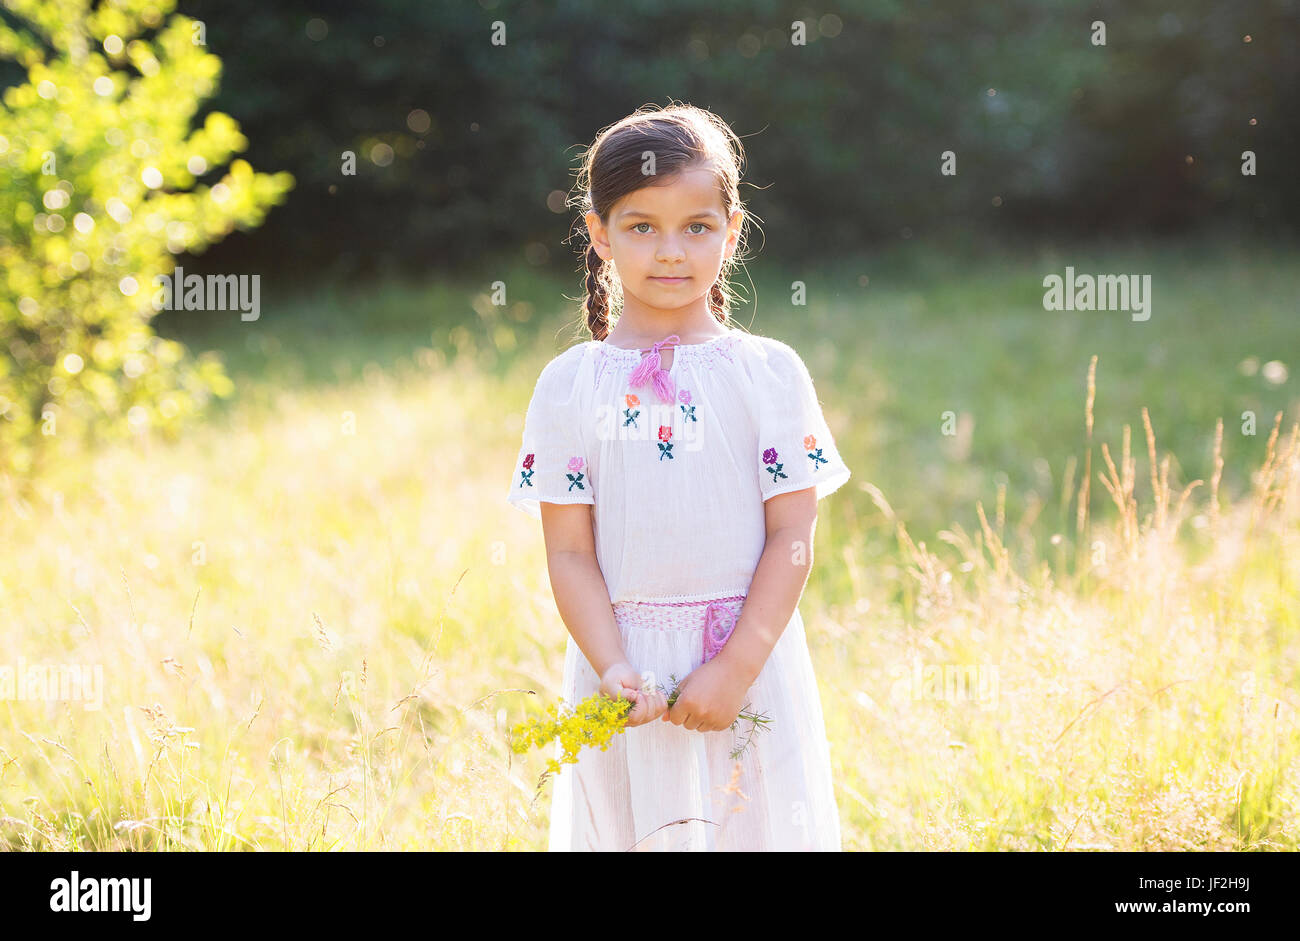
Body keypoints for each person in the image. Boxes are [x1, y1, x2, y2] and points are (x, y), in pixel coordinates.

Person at [506, 102, 852, 851]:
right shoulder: (570, 385)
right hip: (625, 677)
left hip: (748, 664)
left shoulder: (768, 374)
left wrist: (734, 669)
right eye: (641, 227)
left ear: (731, 233)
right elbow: (568, 552)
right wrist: (612, 665)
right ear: (599, 235)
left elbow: (793, 535)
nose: (671, 251)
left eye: (696, 226)